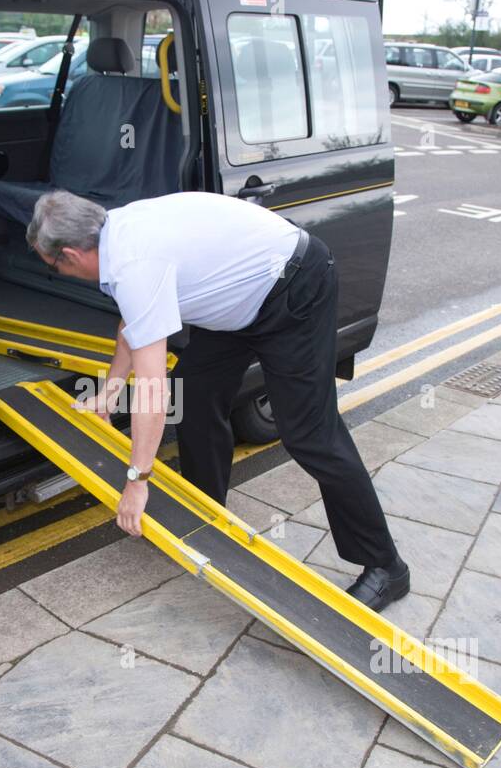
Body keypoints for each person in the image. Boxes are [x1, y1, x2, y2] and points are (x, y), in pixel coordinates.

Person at [26, 189, 410, 611]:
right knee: (191, 392)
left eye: (53, 268)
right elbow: (133, 321)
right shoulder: (116, 235)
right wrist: (111, 390)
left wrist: (138, 481)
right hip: (239, 302)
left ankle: (386, 567)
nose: (58, 274)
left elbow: (151, 390)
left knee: (309, 434)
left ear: (70, 255)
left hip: (295, 288)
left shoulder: (134, 258)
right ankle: (205, 512)